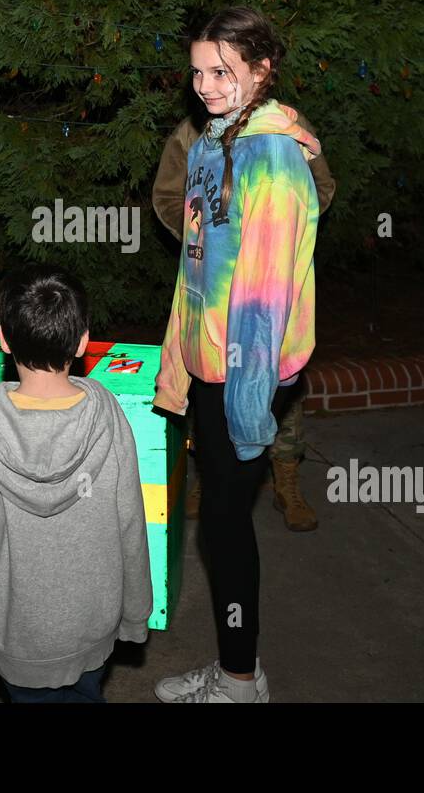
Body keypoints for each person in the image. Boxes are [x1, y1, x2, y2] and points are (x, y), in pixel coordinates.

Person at [151, 6, 321, 703]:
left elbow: (264, 292)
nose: (207, 86)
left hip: (242, 377)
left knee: (225, 528)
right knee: (220, 527)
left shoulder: (272, 155)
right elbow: (194, 272)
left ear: (261, 70)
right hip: (212, 369)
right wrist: (177, 365)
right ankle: (235, 669)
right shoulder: (210, 145)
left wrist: (251, 413)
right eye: (197, 73)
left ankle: (240, 680)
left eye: (222, 71)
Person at [0, 265, 152, 703]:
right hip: (92, 627)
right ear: (83, 342)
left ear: (2, 338)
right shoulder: (108, 414)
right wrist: (136, 614)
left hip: (17, 636)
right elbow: (130, 522)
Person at [152, 90, 335, 532]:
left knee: (273, 374)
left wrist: (273, 232)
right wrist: (208, 240)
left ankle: (286, 475)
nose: (210, 84)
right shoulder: (194, 132)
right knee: (209, 388)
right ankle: (210, 476)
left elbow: (321, 188)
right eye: (202, 71)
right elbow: (166, 196)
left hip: (267, 282)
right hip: (211, 292)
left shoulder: (282, 128)